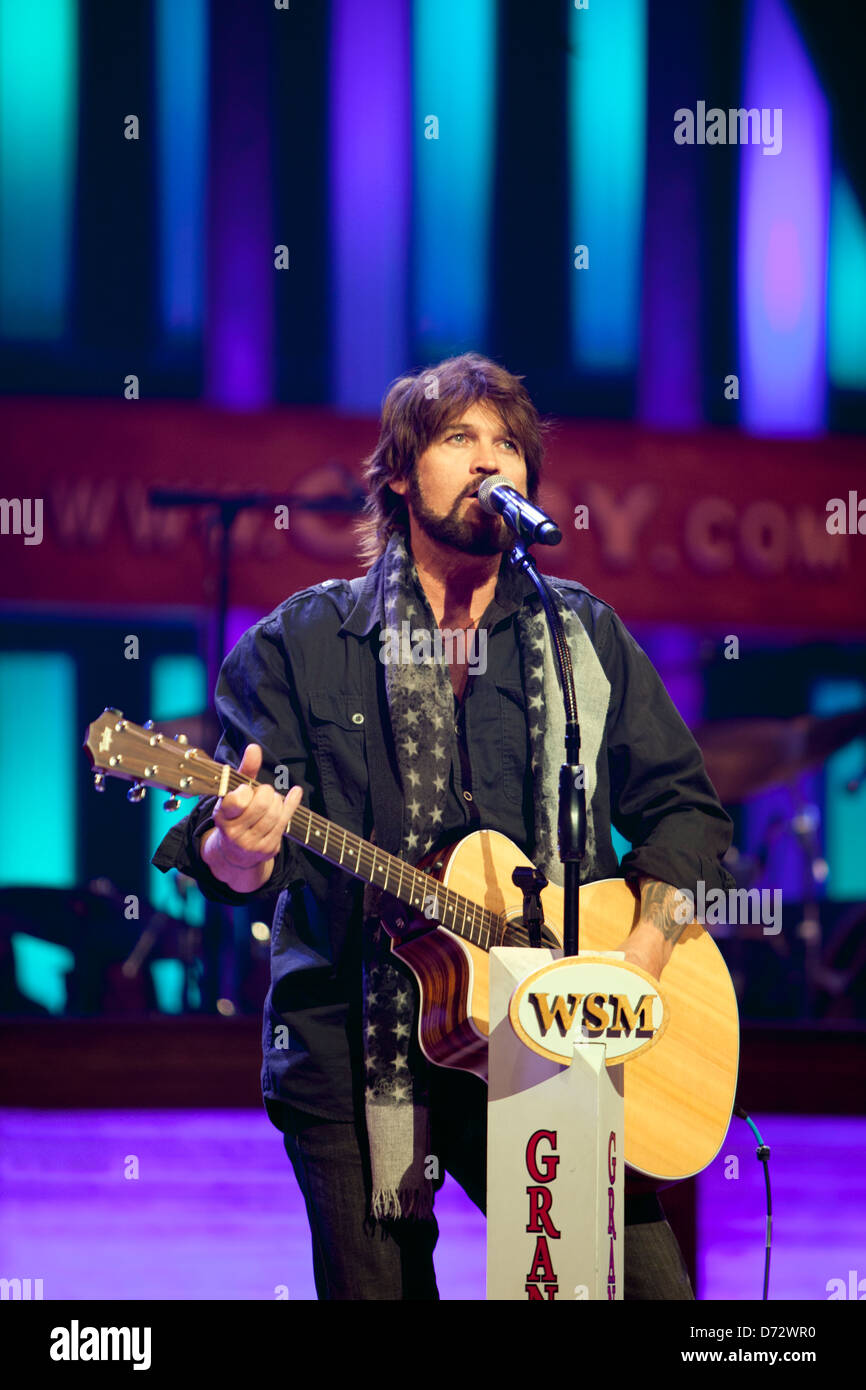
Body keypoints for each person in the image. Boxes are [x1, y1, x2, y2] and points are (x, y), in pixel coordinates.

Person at [152, 352, 735, 1300]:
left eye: (508, 445)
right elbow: (234, 865)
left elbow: (688, 813)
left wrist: (636, 967)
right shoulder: (299, 646)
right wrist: (239, 841)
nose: (488, 461)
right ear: (395, 472)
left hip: (557, 1033)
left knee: (647, 1294)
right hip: (358, 1047)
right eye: (459, 439)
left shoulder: (579, 635)